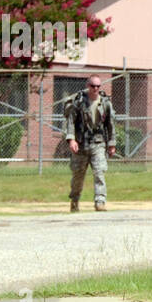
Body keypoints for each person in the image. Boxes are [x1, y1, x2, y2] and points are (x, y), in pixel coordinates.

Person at [65, 75, 116, 212]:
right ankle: (75, 200)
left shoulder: (105, 103)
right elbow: (71, 122)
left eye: (98, 86)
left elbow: (110, 124)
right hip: (81, 144)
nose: (95, 89)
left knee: (99, 172)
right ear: (88, 85)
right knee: (78, 175)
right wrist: (71, 139)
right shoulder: (79, 102)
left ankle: (100, 201)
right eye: (93, 86)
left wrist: (112, 143)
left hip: (98, 143)